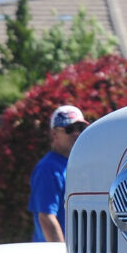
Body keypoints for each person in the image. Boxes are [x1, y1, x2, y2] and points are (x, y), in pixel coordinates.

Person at [30, 104, 85, 243]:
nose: (76, 133)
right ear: (54, 134)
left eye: (81, 128)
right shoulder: (48, 168)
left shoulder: (77, 165)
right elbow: (46, 217)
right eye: (70, 129)